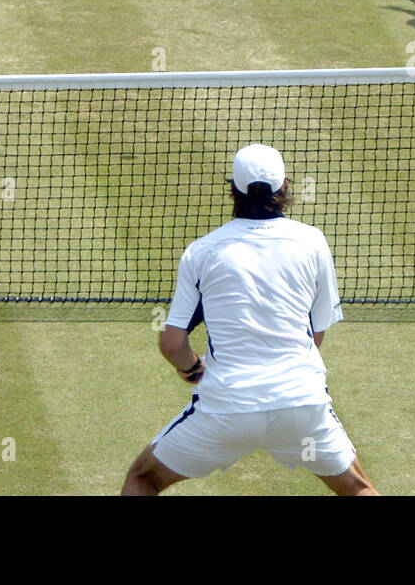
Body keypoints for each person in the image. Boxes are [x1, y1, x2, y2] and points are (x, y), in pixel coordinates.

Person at [121, 143, 378, 496]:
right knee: (357, 489)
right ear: (284, 187)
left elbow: (172, 343)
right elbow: (314, 337)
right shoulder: (313, 243)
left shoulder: (203, 252)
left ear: (233, 189)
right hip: (301, 407)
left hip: (226, 412)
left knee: (142, 479)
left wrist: (193, 367)